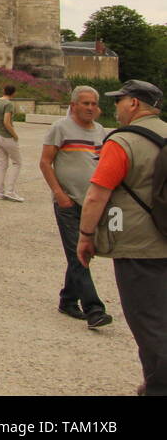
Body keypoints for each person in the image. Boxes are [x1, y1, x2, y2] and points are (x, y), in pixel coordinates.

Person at [78, 79, 167, 394]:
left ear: (134, 104)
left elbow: (96, 195)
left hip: (138, 245)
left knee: (149, 323)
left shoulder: (123, 141)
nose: (114, 106)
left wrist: (86, 235)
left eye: (119, 100)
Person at [37, 85, 112, 330]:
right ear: (73, 105)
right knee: (77, 254)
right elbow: (45, 163)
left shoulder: (100, 130)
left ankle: (68, 299)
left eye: (93, 104)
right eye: (85, 103)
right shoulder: (60, 128)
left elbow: (99, 164)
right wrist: (59, 194)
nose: (90, 107)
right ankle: (94, 309)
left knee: (83, 253)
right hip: (67, 201)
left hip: (90, 203)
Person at [0, 84, 24, 200]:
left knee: (2, 164)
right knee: (17, 163)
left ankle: (0, 191)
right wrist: (15, 135)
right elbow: (7, 122)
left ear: (3, 90)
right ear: (13, 93)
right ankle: (10, 191)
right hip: (7, 136)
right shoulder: (8, 104)